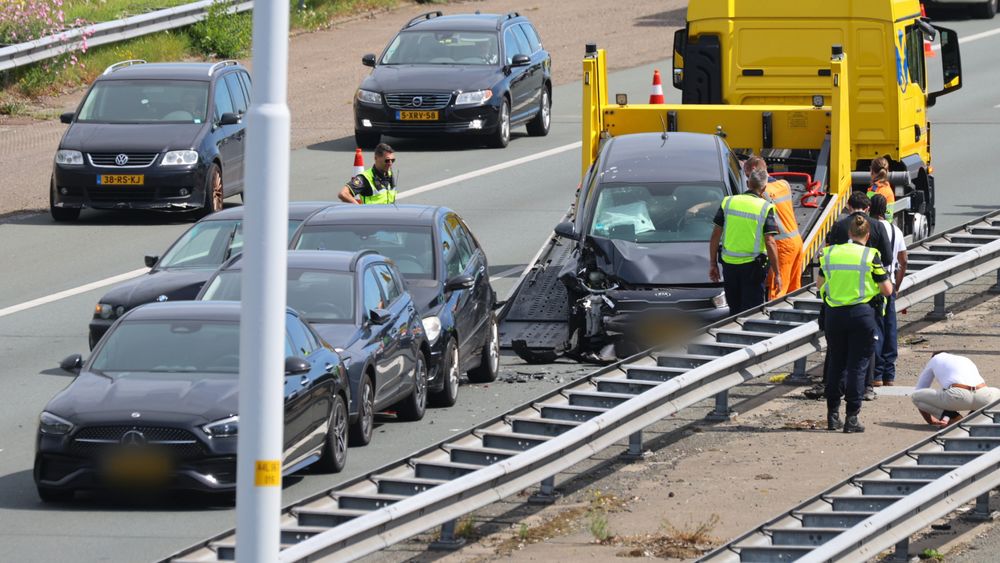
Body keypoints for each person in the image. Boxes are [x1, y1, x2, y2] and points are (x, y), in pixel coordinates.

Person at [818, 215, 893, 433]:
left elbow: (820, 283)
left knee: (836, 364)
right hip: (862, 315)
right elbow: (887, 289)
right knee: (857, 366)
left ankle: (832, 416)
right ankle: (852, 418)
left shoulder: (829, 253)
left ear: (849, 233)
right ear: (867, 235)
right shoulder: (871, 255)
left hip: (834, 315)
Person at [826, 190, 892, 401]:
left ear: (848, 206)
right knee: (865, 350)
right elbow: (888, 258)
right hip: (867, 302)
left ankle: (834, 397)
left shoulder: (839, 225)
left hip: (837, 299)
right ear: (868, 208)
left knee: (836, 354)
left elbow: (828, 261)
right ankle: (867, 386)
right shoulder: (877, 227)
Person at [709, 167, 781, 315]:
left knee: (734, 311)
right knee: (752, 313)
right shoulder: (765, 207)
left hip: (729, 266)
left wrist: (713, 264)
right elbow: (770, 241)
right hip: (753, 268)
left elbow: (715, 234)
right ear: (764, 188)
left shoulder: (728, 202)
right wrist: (777, 273)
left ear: (748, 183)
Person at [744, 156, 803, 299]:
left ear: (753, 170)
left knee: (777, 294)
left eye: (747, 175)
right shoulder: (784, 184)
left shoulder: (762, 193)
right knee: (793, 292)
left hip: (781, 246)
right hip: (796, 241)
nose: (747, 181)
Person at [870, 193, 907, 387]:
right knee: (890, 327)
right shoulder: (895, 230)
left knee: (876, 328)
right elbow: (903, 260)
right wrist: (897, 286)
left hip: (872, 286)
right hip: (890, 283)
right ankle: (888, 374)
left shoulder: (868, 228)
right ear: (886, 210)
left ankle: (876, 373)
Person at [912, 352, 1000, 427]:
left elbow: (919, 390)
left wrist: (930, 421)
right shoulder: (965, 359)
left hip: (958, 396)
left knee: (915, 397)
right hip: (983, 396)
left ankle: (954, 419)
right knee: (997, 392)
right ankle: (972, 419)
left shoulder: (934, 359)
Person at [867, 157, 895, 223]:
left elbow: (867, 211)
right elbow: (889, 216)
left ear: (872, 171)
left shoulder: (872, 191)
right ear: (887, 171)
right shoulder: (889, 191)